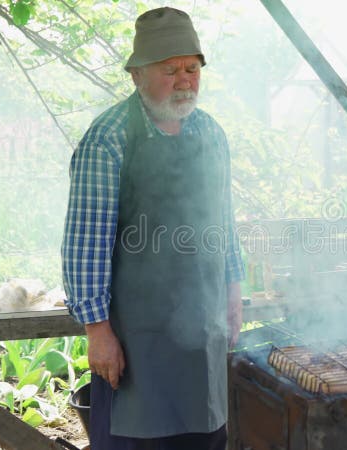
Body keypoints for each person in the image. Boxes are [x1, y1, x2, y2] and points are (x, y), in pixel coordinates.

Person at [61, 7, 244, 450]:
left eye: (192, 68)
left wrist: (234, 293)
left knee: (206, 437)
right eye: (170, 70)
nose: (184, 80)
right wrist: (96, 331)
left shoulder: (211, 135)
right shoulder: (108, 138)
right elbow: (86, 242)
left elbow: (224, 223)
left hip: (201, 333)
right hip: (135, 339)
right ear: (137, 75)